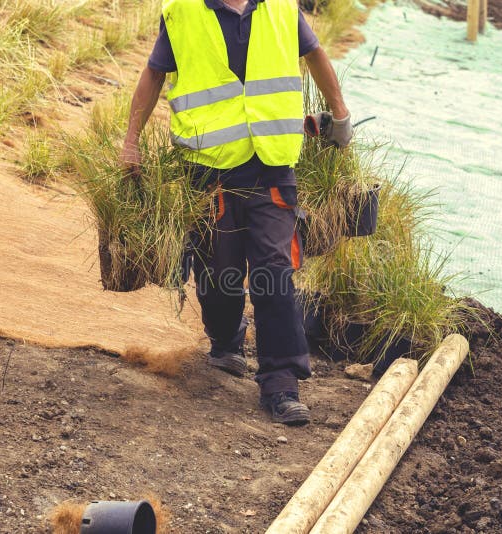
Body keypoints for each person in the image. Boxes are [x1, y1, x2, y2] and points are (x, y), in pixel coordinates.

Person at [121, 0, 352, 425]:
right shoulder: (183, 12)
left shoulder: (281, 7)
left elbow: (315, 52)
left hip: (272, 163)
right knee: (217, 270)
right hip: (209, 168)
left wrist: (340, 115)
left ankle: (281, 383)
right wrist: (131, 143)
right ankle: (226, 338)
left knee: (274, 265)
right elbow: (154, 73)